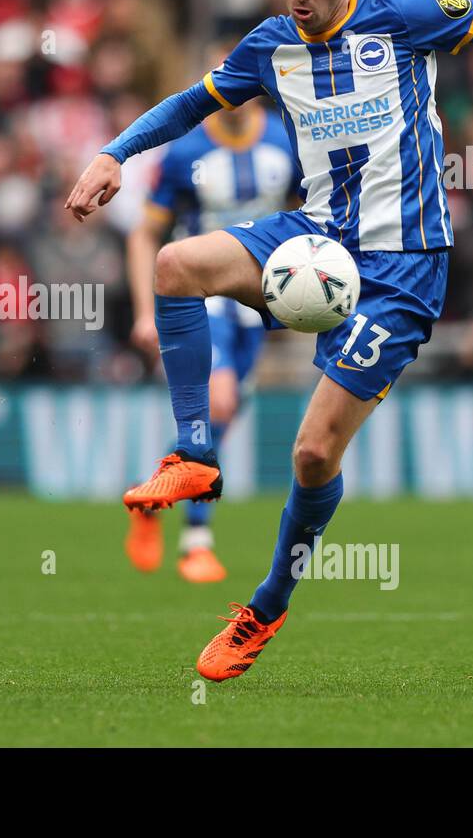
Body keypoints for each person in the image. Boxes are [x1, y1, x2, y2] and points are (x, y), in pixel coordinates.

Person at [65, 0, 473, 682]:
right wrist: (114, 153)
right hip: (313, 238)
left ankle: (264, 607)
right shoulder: (270, 46)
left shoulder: (402, 19)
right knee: (173, 266)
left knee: (310, 453)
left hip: (404, 268)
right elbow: (190, 104)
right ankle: (196, 453)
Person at [125, 44, 301, 582]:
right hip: (205, 294)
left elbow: (304, 210)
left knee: (223, 412)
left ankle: (152, 497)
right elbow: (146, 232)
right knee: (219, 399)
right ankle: (196, 541)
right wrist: (142, 310)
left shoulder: (287, 139)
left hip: (258, 297)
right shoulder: (183, 153)